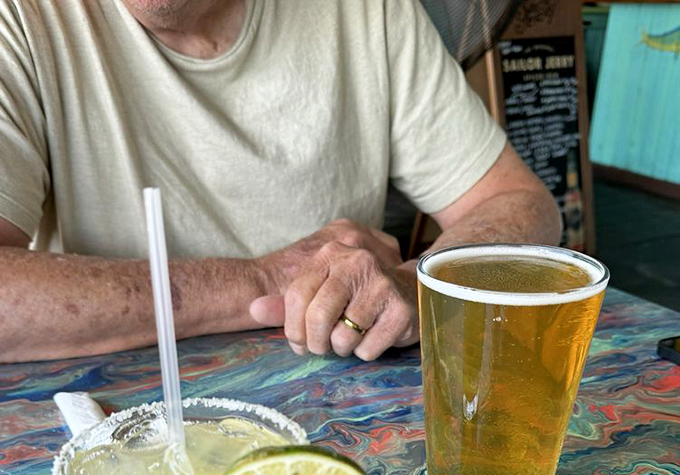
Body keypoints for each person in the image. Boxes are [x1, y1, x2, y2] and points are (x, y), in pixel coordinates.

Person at [0, 0, 560, 363]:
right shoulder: (21, 18)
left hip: (344, 407)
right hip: (110, 429)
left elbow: (521, 203)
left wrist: (421, 283)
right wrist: (266, 278)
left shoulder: (370, 11)